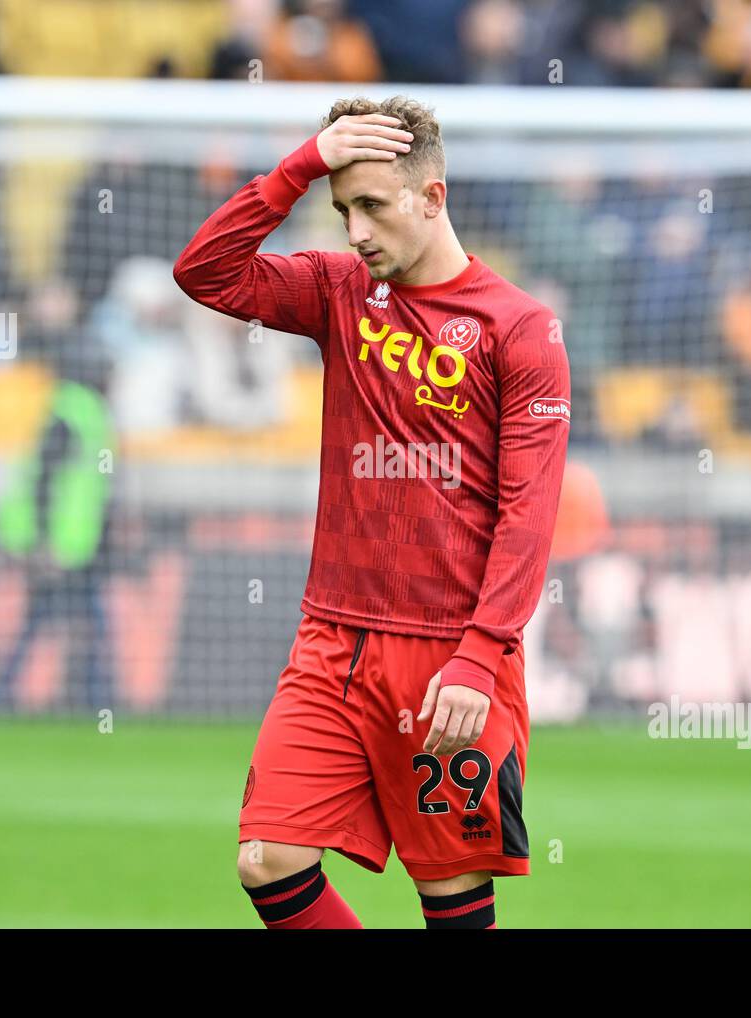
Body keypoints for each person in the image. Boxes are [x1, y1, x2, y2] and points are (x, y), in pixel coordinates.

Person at [173, 96, 571, 929]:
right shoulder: (338, 291)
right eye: (342, 207)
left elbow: (529, 514)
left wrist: (482, 654)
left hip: (450, 656)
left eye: (374, 207)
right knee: (266, 858)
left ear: (433, 198)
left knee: (451, 899)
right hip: (331, 642)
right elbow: (204, 270)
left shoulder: (521, 330)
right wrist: (300, 166)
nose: (355, 230)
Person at [0, 351, 116, 711]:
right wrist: (43, 543)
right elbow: (44, 482)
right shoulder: (76, 415)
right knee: (86, 626)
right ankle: (99, 702)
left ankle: (2, 695)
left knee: (47, 623)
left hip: (73, 547)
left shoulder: (73, 412)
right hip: (62, 549)